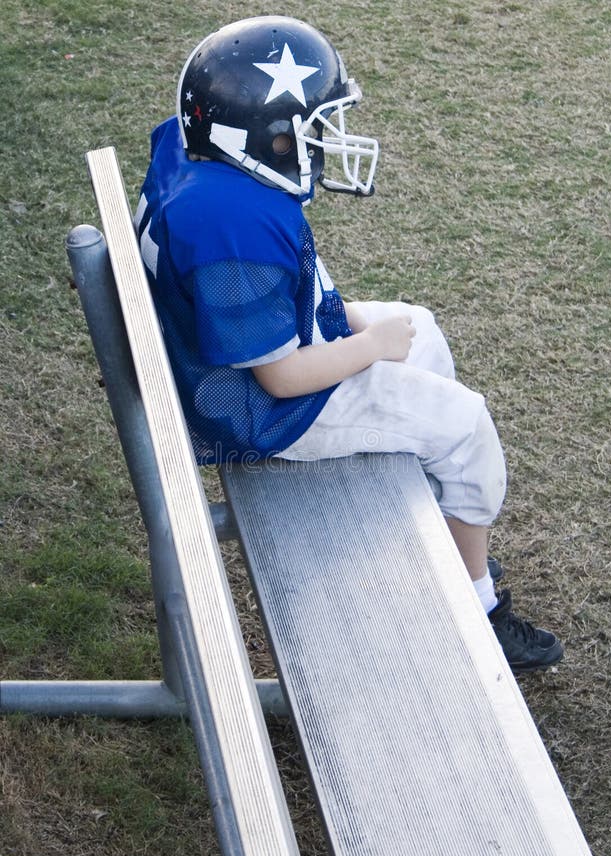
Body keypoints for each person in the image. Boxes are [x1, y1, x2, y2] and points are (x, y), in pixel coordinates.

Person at [136, 15, 563, 672]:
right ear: (261, 137)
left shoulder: (200, 169)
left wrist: (372, 333)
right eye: (310, 128)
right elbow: (277, 379)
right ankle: (477, 607)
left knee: (416, 326)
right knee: (466, 423)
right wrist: (369, 348)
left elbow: (279, 304)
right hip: (264, 413)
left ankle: (434, 535)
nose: (323, 141)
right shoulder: (232, 226)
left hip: (235, 367)